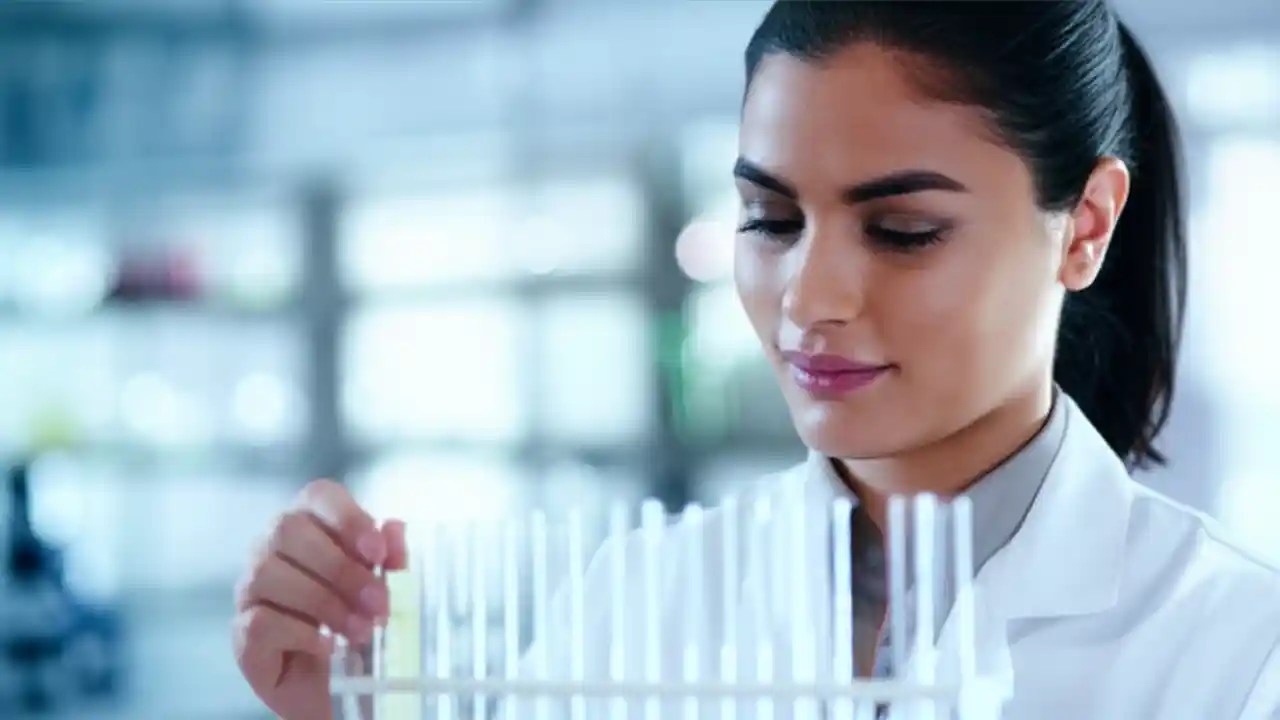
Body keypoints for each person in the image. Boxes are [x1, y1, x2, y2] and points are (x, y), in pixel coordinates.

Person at [231, 2, 1280, 718]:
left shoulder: (1235, 650)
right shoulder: (638, 598)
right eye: (769, 218)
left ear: (1084, 225)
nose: (808, 300)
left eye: (902, 229)